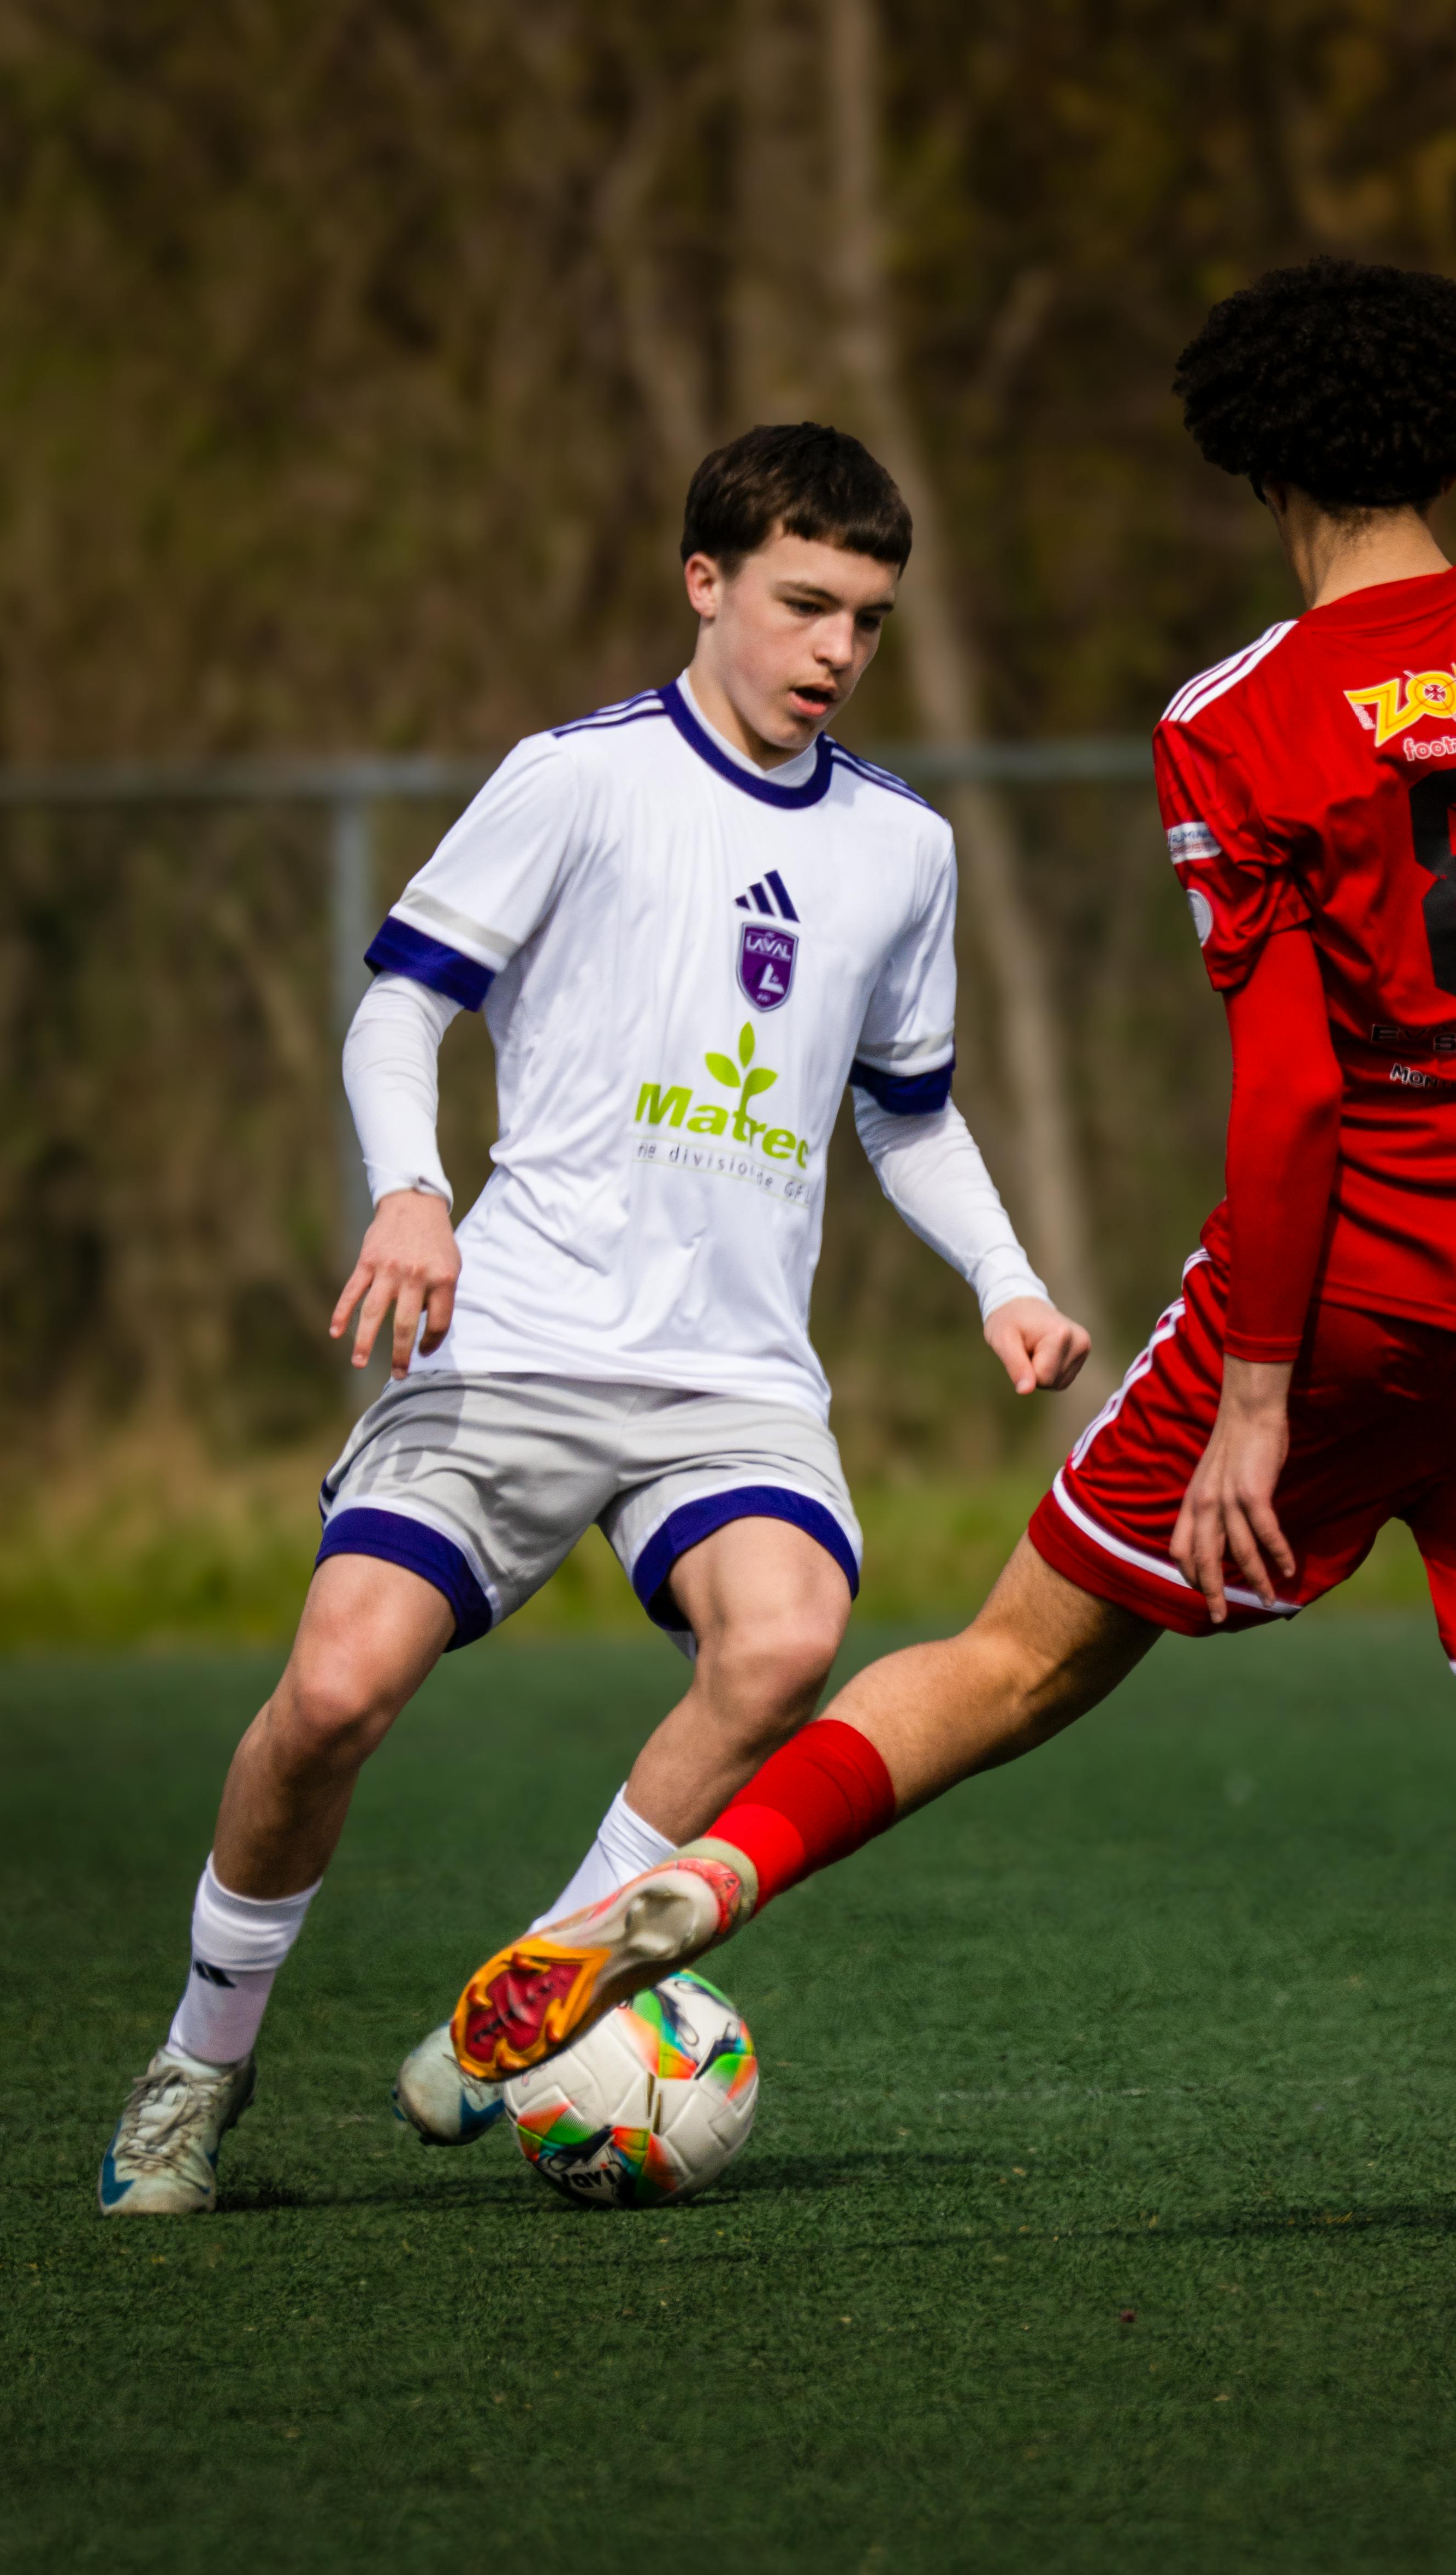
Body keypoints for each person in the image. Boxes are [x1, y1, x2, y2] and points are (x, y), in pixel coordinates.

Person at [437, 262, 1456, 2249]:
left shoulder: (1236, 717)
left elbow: (1294, 1093)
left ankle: (702, 1889)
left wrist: (1255, 1393)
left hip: (1339, 1311)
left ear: (1252, 460)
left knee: (1016, 1659)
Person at [96, 423, 1091, 2216]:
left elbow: (911, 1108)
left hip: (730, 1379)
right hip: (517, 1340)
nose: (836, 651)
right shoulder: (575, 779)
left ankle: (527, 1997)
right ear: (703, 583)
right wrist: (409, 1185)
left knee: (784, 1639)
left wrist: (1004, 1281)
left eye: (866, 619)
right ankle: (199, 2064)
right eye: (803, 605)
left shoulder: (903, 848)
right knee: (331, 1695)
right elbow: (400, 1007)